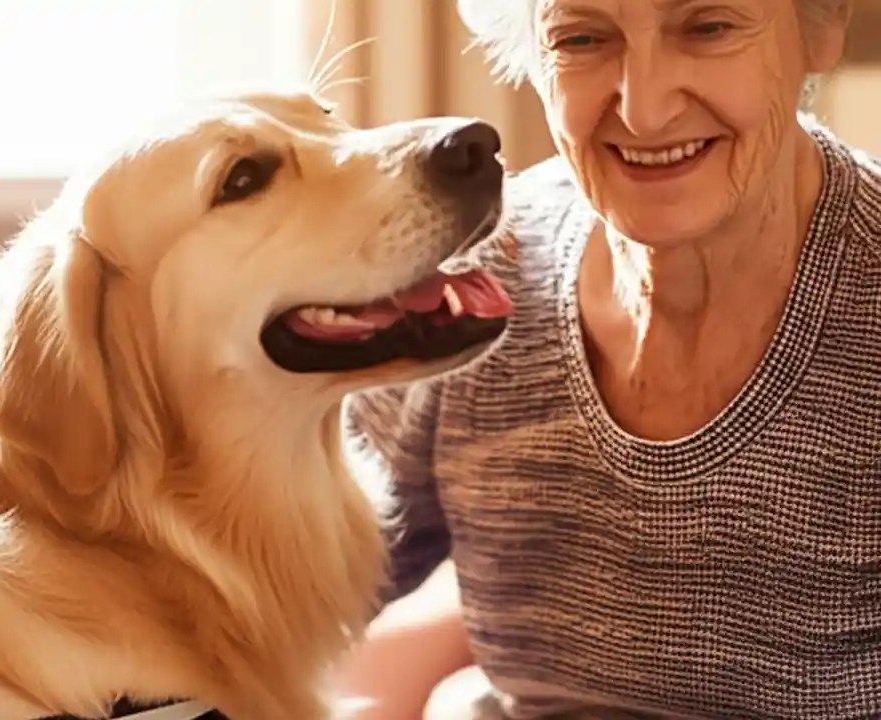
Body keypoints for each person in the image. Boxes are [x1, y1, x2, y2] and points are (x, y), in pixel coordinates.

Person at [333, 0, 881, 717]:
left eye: (708, 27)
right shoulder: (479, 285)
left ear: (822, 23)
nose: (644, 110)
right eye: (583, 38)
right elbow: (297, 593)